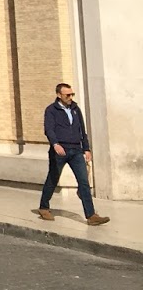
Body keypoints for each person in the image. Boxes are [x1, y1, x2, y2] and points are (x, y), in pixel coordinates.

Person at [36, 83, 109, 226]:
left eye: (72, 94)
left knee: (83, 182)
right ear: (59, 95)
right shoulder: (51, 110)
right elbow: (49, 129)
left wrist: (86, 149)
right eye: (67, 95)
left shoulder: (75, 109)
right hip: (59, 150)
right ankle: (44, 207)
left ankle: (91, 215)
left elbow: (82, 130)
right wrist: (55, 144)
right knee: (53, 178)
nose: (70, 97)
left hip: (76, 150)